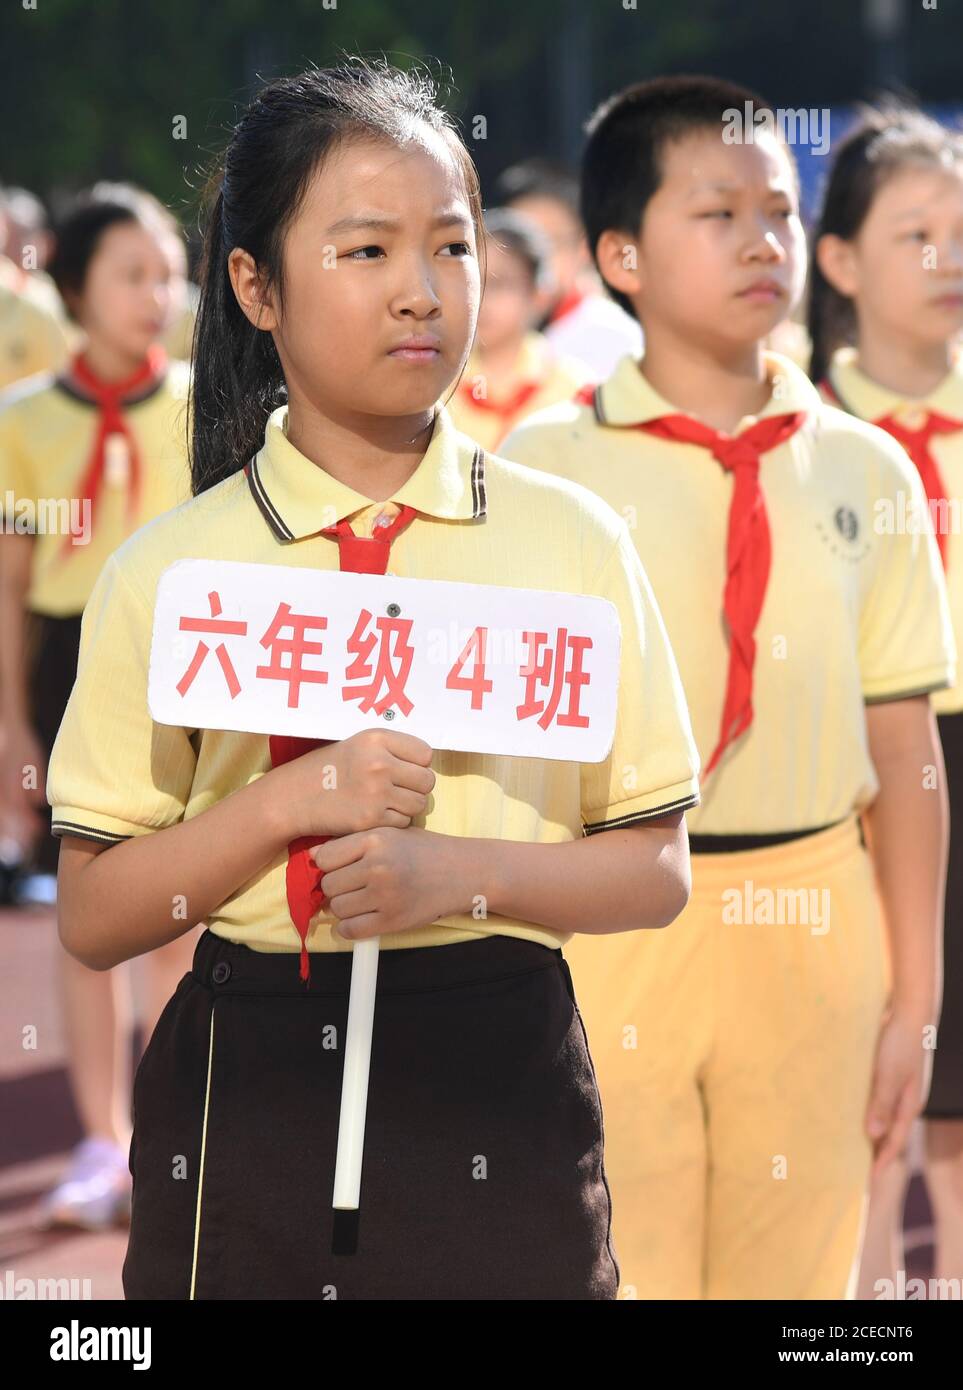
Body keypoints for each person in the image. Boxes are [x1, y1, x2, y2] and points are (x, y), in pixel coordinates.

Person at [46, 58, 701, 1301]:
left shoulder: (572, 541)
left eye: (450, 249)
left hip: (501, 1078)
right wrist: (286, 805)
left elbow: (655, 866)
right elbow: (95, 915)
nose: (422, 291)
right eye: (366, 252)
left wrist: (457, 875)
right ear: (255, 286)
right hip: (256, 1081)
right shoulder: (171, 571)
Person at [500, 75, 955, 1300]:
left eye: (779, 213)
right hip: (613, 908)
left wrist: (916, 994)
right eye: (716, 213)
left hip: (817, 912)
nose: (764, 240)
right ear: (617, 254)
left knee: (800, 1284)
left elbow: (906, 748)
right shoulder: (543, 467)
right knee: (613, 1262)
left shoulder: (868, 467)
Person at [0, 183, 196, 1229]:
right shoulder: (22, 422)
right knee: (88, 921)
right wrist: (11, 727)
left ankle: (164, 1130)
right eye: (131, 274)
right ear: (72, 289)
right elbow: (11, 582)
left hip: (185, 665)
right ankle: (96, 1139)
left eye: (168, 271)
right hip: (70, 667)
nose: (157, 293)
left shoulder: (211, 404)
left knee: (176, 918)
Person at [810, 103, 963, 1297]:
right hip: (860, 767)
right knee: (863, 1067)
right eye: (917, 234)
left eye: (961, 230)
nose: (949, 256)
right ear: (842, 261)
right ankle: (855, 1301)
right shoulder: (804, 434)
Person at [447, 207, 590, 450]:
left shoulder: (571, 387)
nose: (483, 299)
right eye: (473, 283)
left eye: (499, 284)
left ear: (538, 295)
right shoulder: (441, 384)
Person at [493, 157, 643, 377]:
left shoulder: (613, 336)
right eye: (518, 245)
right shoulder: (481, 331)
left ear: (583, 250)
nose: (535, 259)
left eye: (549, 242)